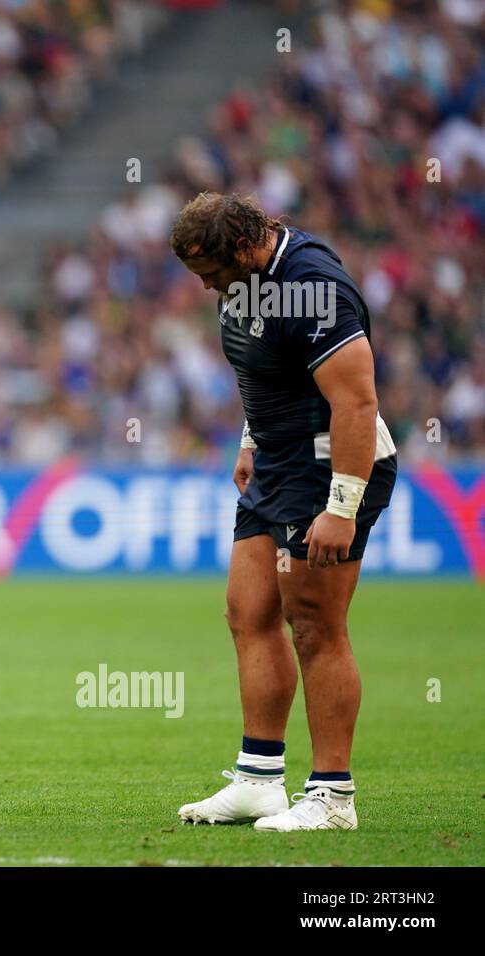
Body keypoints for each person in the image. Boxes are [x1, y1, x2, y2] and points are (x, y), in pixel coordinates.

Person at [170, 192, 397, 831]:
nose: (209, 287)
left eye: (212, 273)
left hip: (329, 464)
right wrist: (250, 437)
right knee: (248, 613)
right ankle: (259, 779)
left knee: (315, 625)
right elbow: (269, 369)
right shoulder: (246, 276)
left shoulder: (314, 288)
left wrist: (342, 506)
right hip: (276, 460)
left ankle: (332, 795)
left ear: (246, 246)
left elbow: (354, 403)